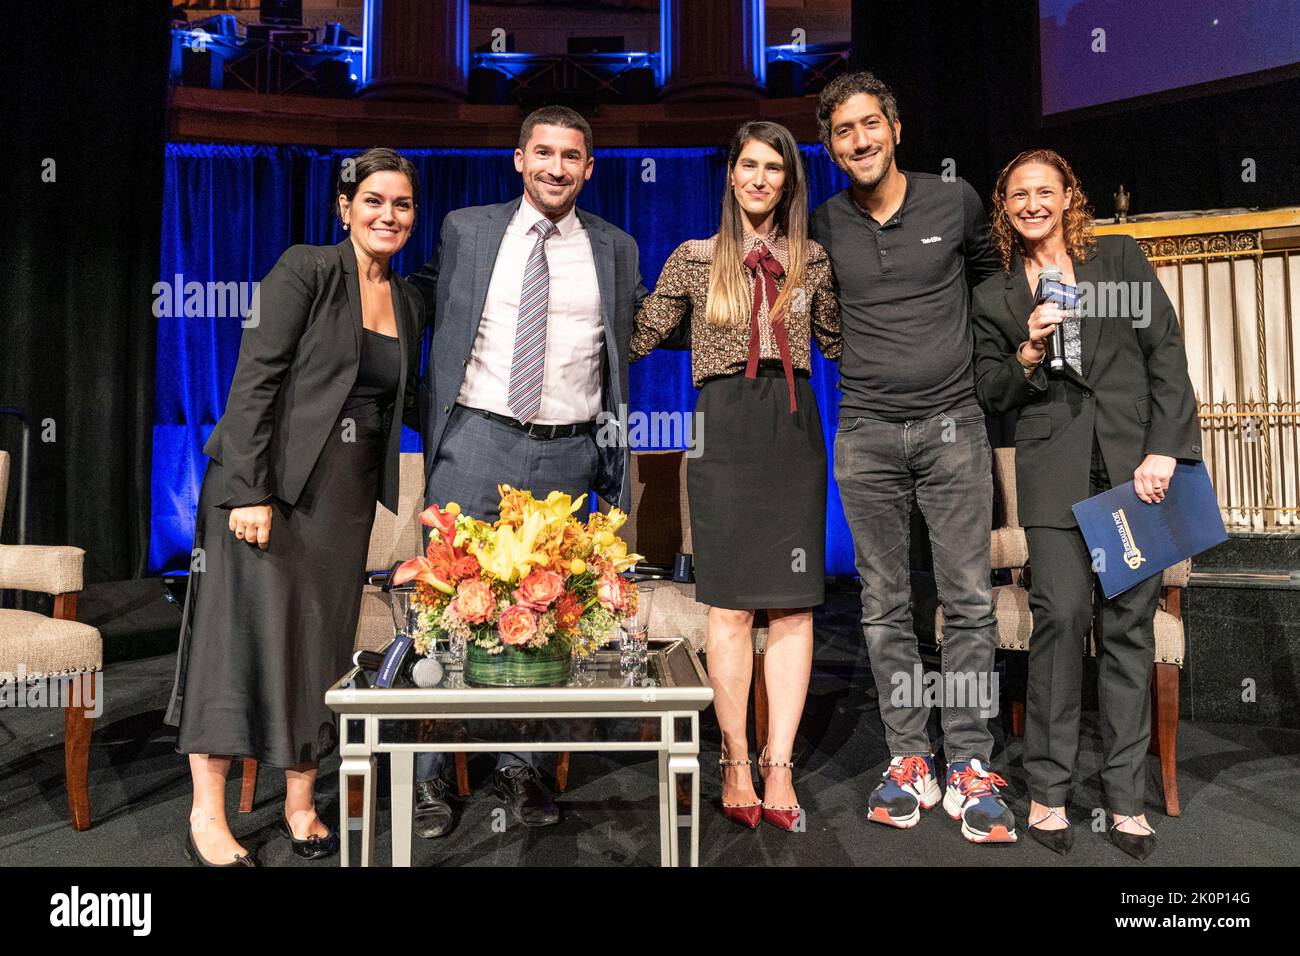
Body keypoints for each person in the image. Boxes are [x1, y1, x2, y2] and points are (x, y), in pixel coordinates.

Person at [406, 106, 680, 838]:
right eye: (544, 153)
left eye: (572, 156)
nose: (556, 167)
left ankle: (522, 768)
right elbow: (414, 304)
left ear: (590, 168)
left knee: (549, 611)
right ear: (519, 160)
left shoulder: (616, 248)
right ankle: (431, 777)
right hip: (476, 438)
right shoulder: (466, 229)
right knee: (448, 612)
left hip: (568, 452)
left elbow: (646, 328)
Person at [165, 148, 424, 865]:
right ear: (346, 208)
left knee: (318, 650)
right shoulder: (306, 269)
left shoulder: (405, 299)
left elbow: (406, 398)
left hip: (342, 504)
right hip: (264, 491)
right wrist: (250, 490)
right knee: (239, 646)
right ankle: (207, 815)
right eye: (373, 201)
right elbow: (255, 380)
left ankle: (300, 802)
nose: (387, 215)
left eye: (401, 204)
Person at [971, 149, 1200, 860]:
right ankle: (1047, 790)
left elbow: (1165, 354)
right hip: (1051, 469)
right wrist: (1029, 354)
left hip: (1136, 469)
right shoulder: (996, 296)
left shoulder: (1121, 260)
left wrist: (1165, 448)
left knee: (1129, 628)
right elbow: (991, 393)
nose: (1032, 203)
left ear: (1070, 194)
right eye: (1018, 195)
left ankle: (1126, 800)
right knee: (1062, 618)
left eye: (1045, 190)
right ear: (1004, 208)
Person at [809, 71, 1017, 844]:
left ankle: (967, 760)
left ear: (894, 127)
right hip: (863, 433)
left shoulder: (953, 201)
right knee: (882, 605)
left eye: (870, 125)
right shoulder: (825, 222)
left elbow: (994, 285)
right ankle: (907, 758)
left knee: (965, 601)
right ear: (830, 147)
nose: (859, 141)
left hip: (953, 428)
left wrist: (993, 372)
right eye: (842, 131)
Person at [631, 121, 840, 832]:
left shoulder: (812, 259)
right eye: (748, 165)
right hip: (723, 435)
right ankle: (735, 756)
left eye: (773, 168)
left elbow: (844, 339)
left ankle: (779, 762)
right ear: (731, 174)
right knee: (729, 608)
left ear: (789, 180)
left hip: (791, 432)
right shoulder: (695, 258)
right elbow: (638, 335)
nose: (758, 178)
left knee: (793, 605)